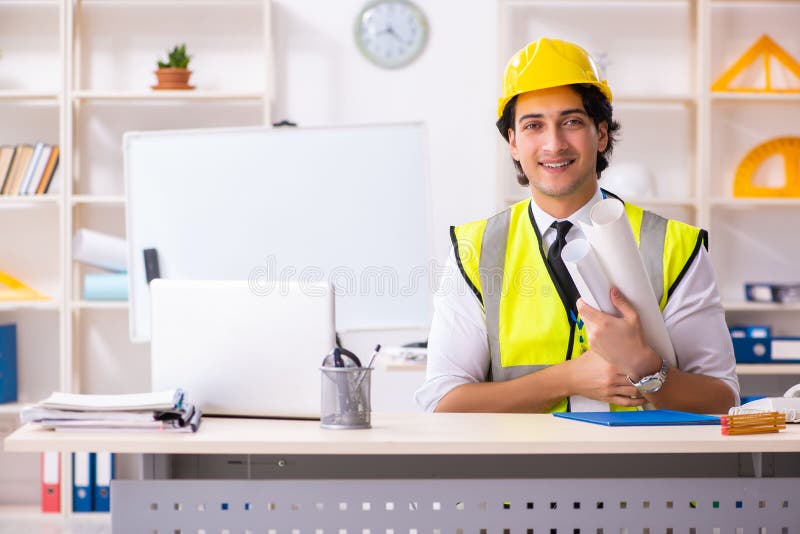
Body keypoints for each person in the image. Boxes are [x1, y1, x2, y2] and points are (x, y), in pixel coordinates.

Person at [415, 37, 739, 414]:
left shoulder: (673, 245)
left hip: (641, 468)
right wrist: (569, 379)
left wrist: (644, 366)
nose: (554, 144)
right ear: (513, 143)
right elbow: (442, 403)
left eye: (571, 122)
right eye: (534, 125)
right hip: (515, 470)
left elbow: (722, 399)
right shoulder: (476, 249)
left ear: (601, 134)